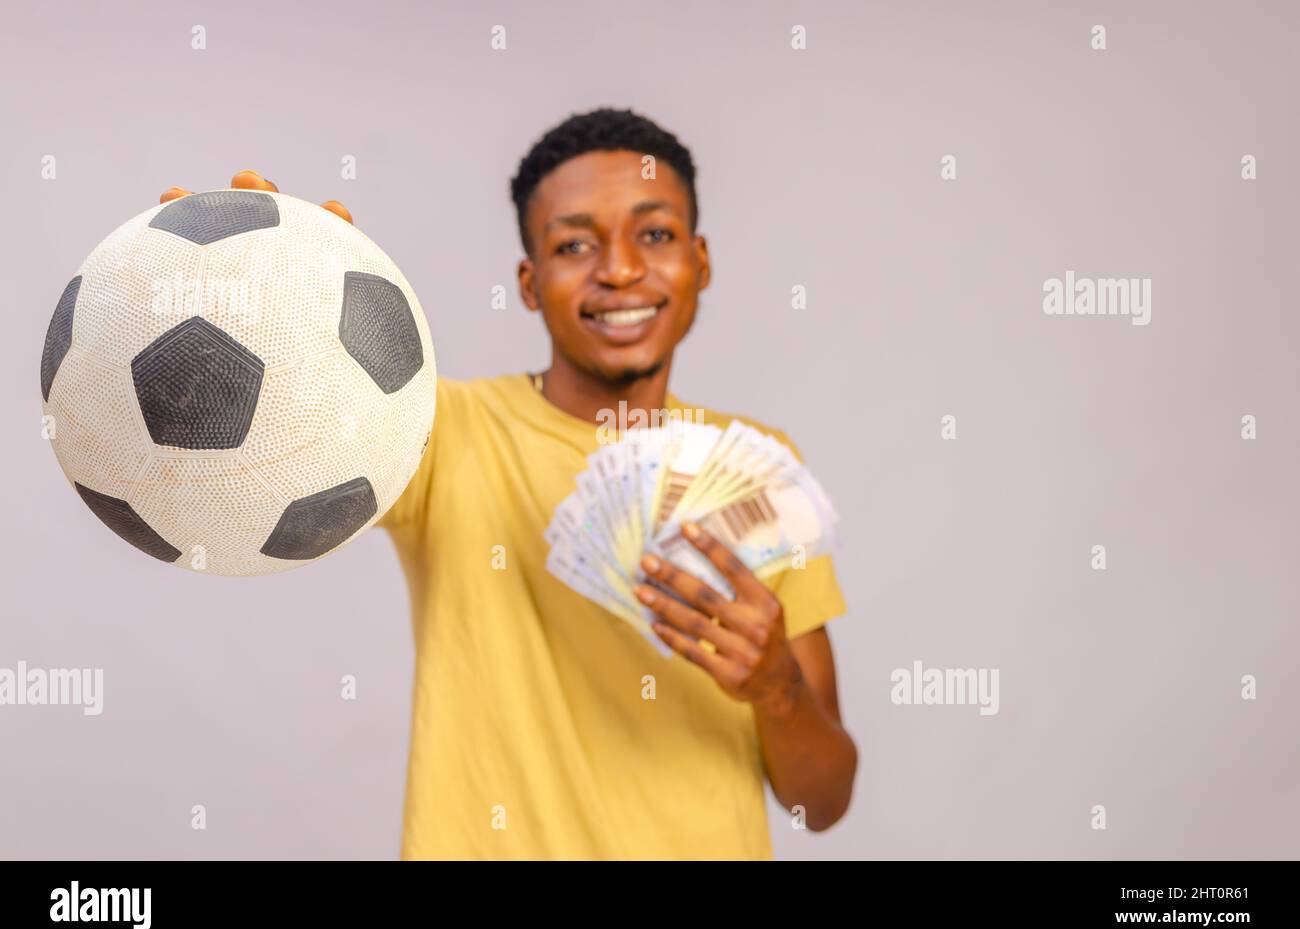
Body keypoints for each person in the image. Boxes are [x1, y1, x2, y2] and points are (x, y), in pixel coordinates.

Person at [161, 107, 857, 859]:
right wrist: (254, 296)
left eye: (653, 233)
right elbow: (279, 432)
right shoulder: (446, 429)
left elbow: (821, 804)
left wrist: (776, 686)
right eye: (574, 243)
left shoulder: (758, 465)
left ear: (702, 262)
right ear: (529, 282)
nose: (619, 268)